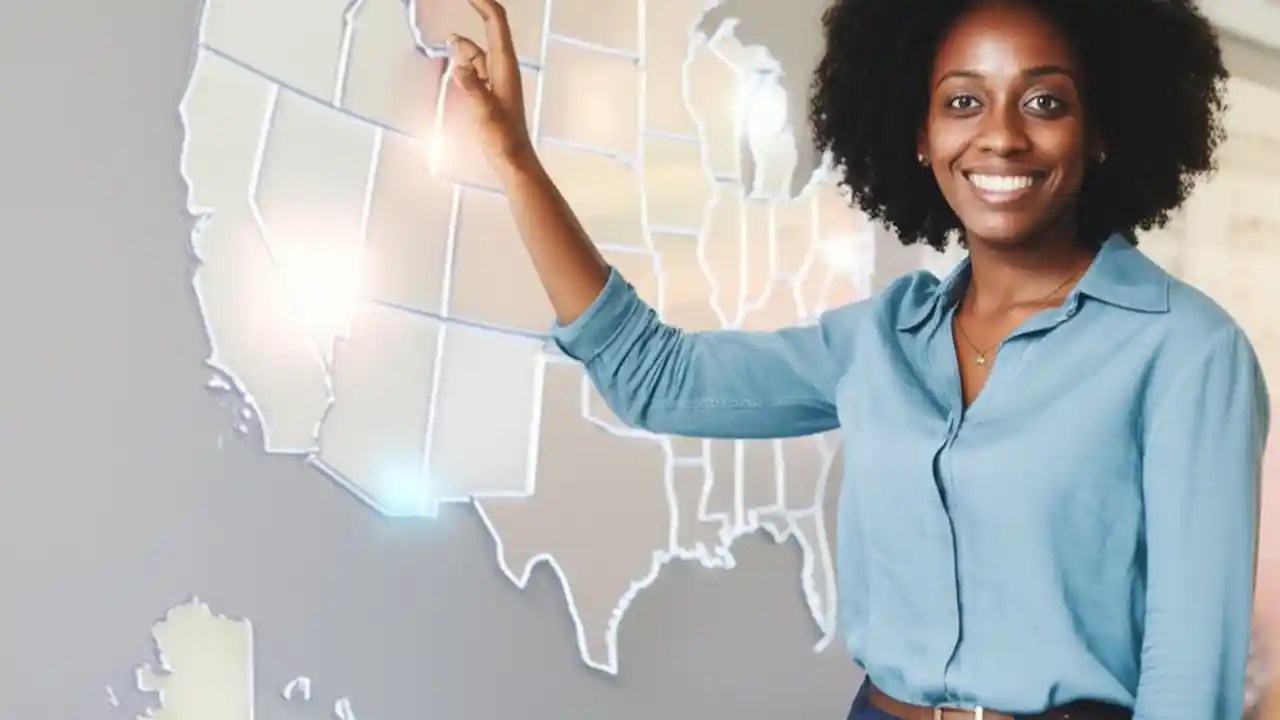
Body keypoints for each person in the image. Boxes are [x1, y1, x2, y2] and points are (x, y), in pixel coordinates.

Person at [445, 0, 1271, 717]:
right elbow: (654, 379)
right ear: (919, 134)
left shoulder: (1186, 353)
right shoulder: (879, 339)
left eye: (1046, 101)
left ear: (1099, 133)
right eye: (963, 101)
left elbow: (1189, 676)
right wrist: (514, 159)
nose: (1001, 136)